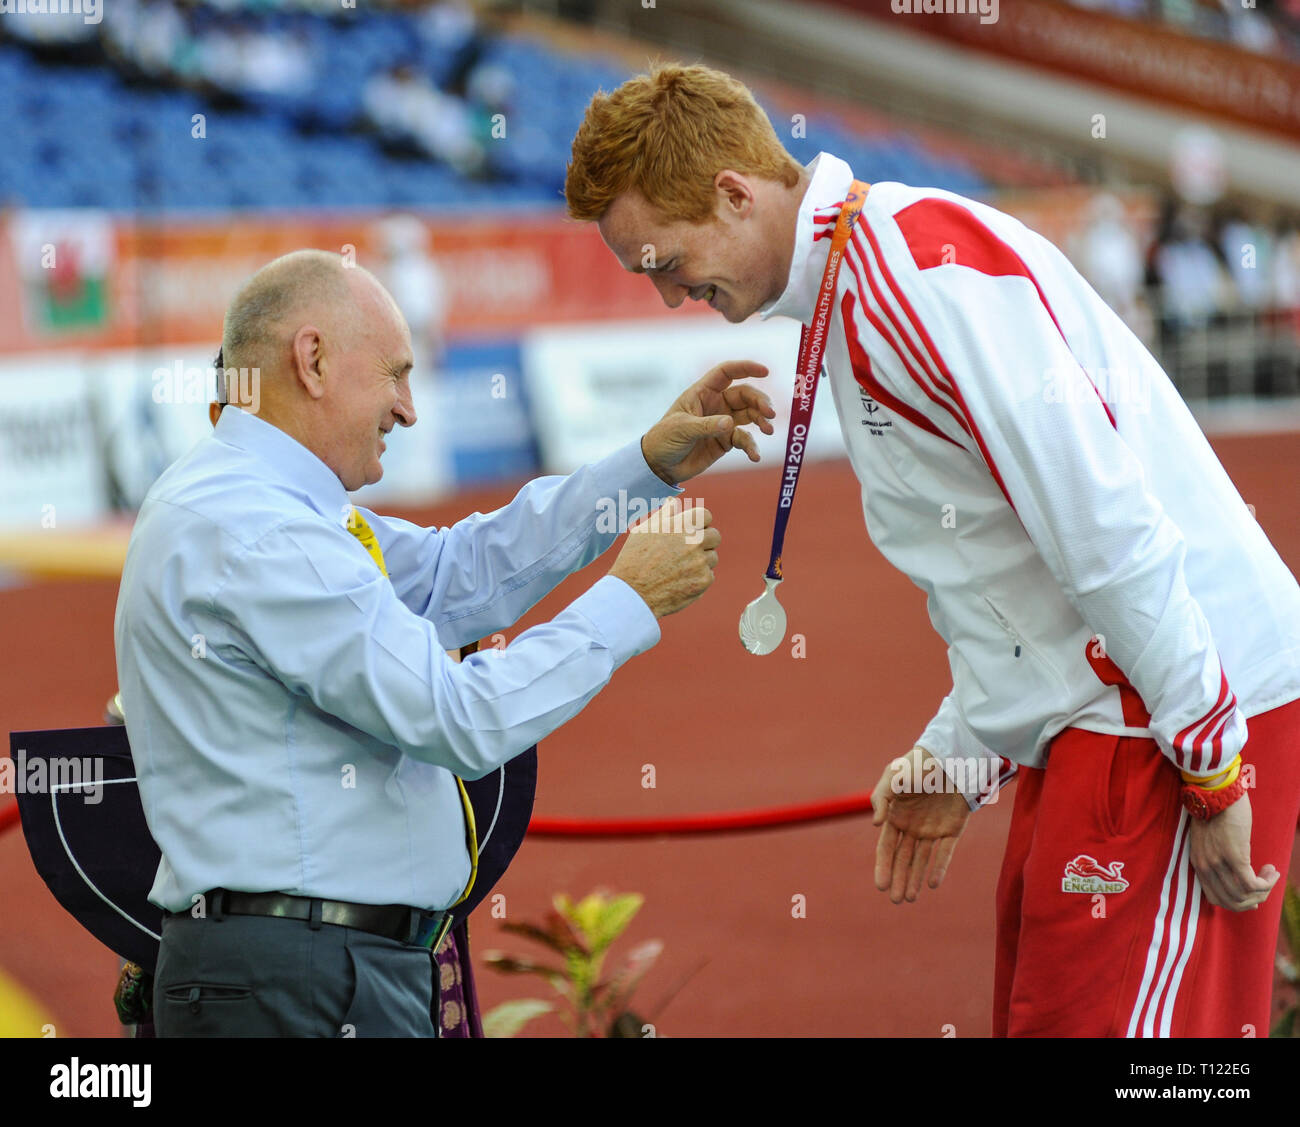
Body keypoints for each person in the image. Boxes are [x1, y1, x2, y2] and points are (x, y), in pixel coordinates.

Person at [565, 63, 1300, 1037]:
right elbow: (1011, 576)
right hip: (1121, 710)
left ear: (733, 193)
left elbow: (1103, 528)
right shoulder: (873, 277)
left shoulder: (915, 275)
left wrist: (1211, 762)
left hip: (1168, 715)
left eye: (663, 260)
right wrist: (958, 756)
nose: (666, 295)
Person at [114, 248, 775, 1037]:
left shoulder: (264, 507)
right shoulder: (261, 527)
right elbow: (458, 720)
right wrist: (629, 601)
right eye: (396, 372)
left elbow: (461, 571)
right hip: (304, 979)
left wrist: (641, 468)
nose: (409, 408)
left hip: (313, 967)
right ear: (313, 359)